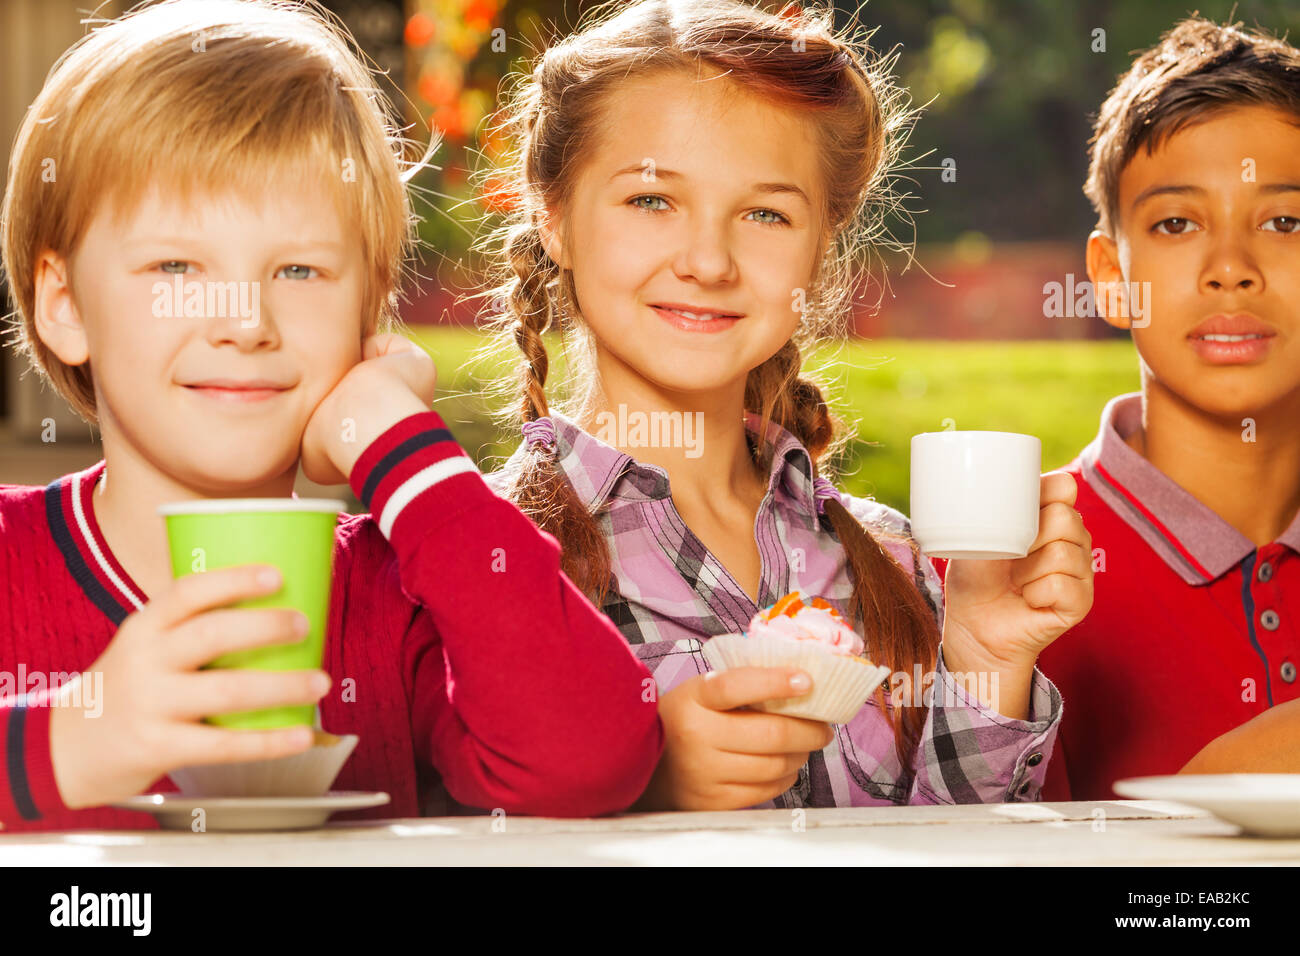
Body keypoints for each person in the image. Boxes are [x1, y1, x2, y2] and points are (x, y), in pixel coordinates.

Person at [0, 0, 661, 831]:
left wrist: (402, 452)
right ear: (64, 303)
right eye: (175, 264)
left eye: (301, 271)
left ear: (368, 313)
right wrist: (75, 740)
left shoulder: (397, 593)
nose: (245, 322)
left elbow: (589, 760)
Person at [479, 0, 1093, 810]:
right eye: (651, 200)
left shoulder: (891, 563)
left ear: (822, 244)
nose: (708, 260)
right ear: (553, 216)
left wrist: (983, 659)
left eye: (766, 213)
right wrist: (643, 781)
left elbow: (957, 862)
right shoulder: (488, 555)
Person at [1037, 17, 1300, 799]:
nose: (1231, 270)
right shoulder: (1004, 571)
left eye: (1286, 221)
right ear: (1112, 277)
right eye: (1177, 223)